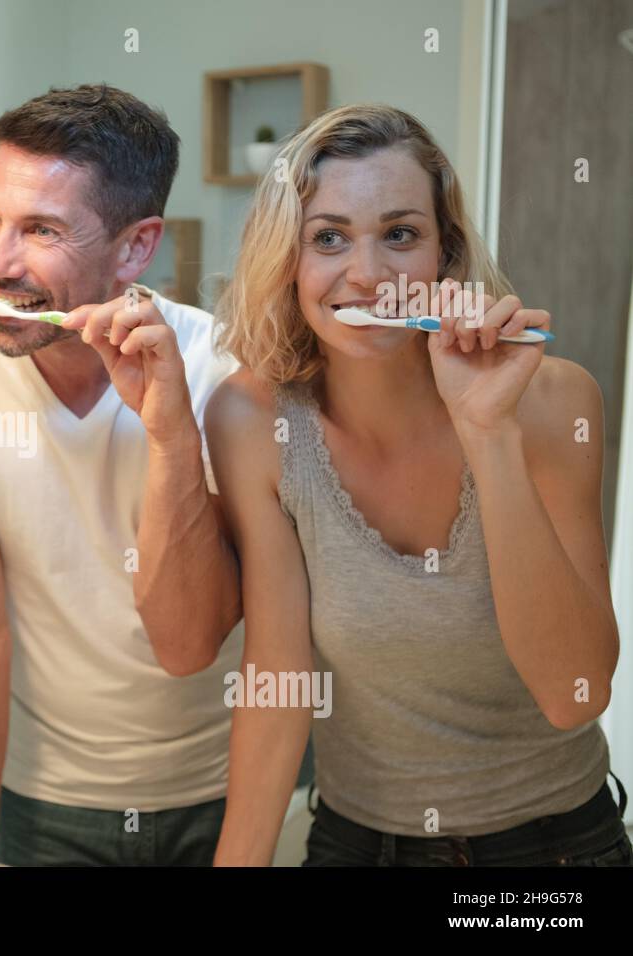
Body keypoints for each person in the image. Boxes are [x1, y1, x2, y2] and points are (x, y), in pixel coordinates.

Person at [138, 102, 625, 866]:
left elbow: (576, 693)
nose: (367, 275)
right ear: (288, 261)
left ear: (445, 253)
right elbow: (278, 678)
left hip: (556, 853)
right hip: (358, 844)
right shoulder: (251, 418)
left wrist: (488, 432)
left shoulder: (555, 402)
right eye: (328, 238)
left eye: (401, 234)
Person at [0, 85, 243, 866]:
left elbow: (192, 639)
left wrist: (170, 431)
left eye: (40, 230)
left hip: (227, 789)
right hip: (43, 798)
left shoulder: (224, 368)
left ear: (134, 247)